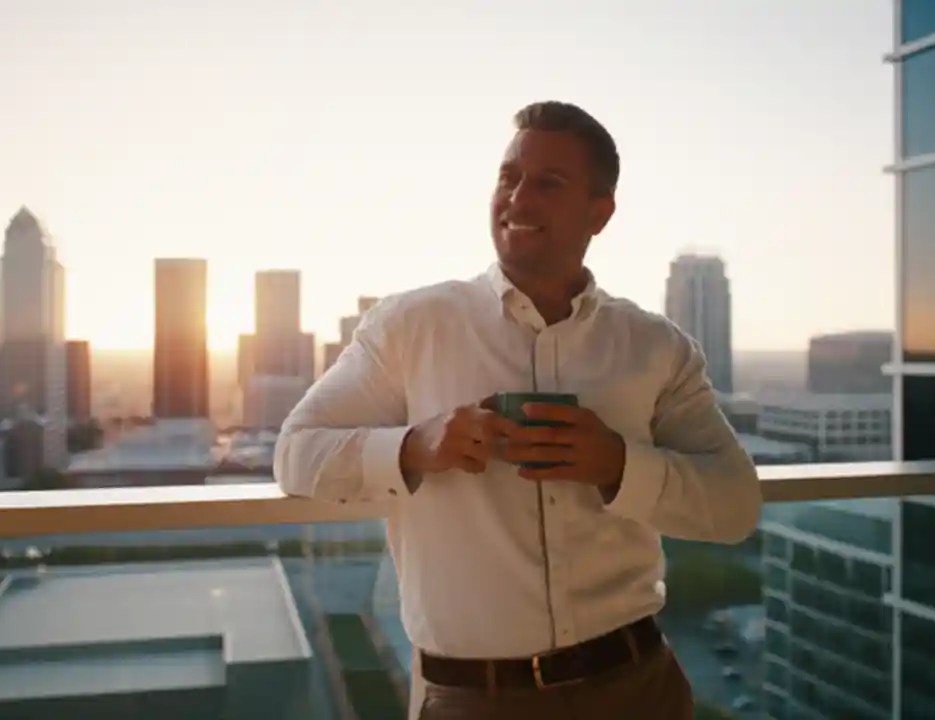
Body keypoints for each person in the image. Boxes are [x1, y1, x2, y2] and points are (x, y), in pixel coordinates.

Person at [274, 101, 761, 720]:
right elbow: (294, 455)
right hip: (475, 701)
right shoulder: (410, 326)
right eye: (509, 178)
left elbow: (736, 504)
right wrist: (415, 446)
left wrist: (617, 465)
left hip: (637, 689)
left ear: (600, 212)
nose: (518, 198)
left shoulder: (656, 348)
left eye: (548, 183)